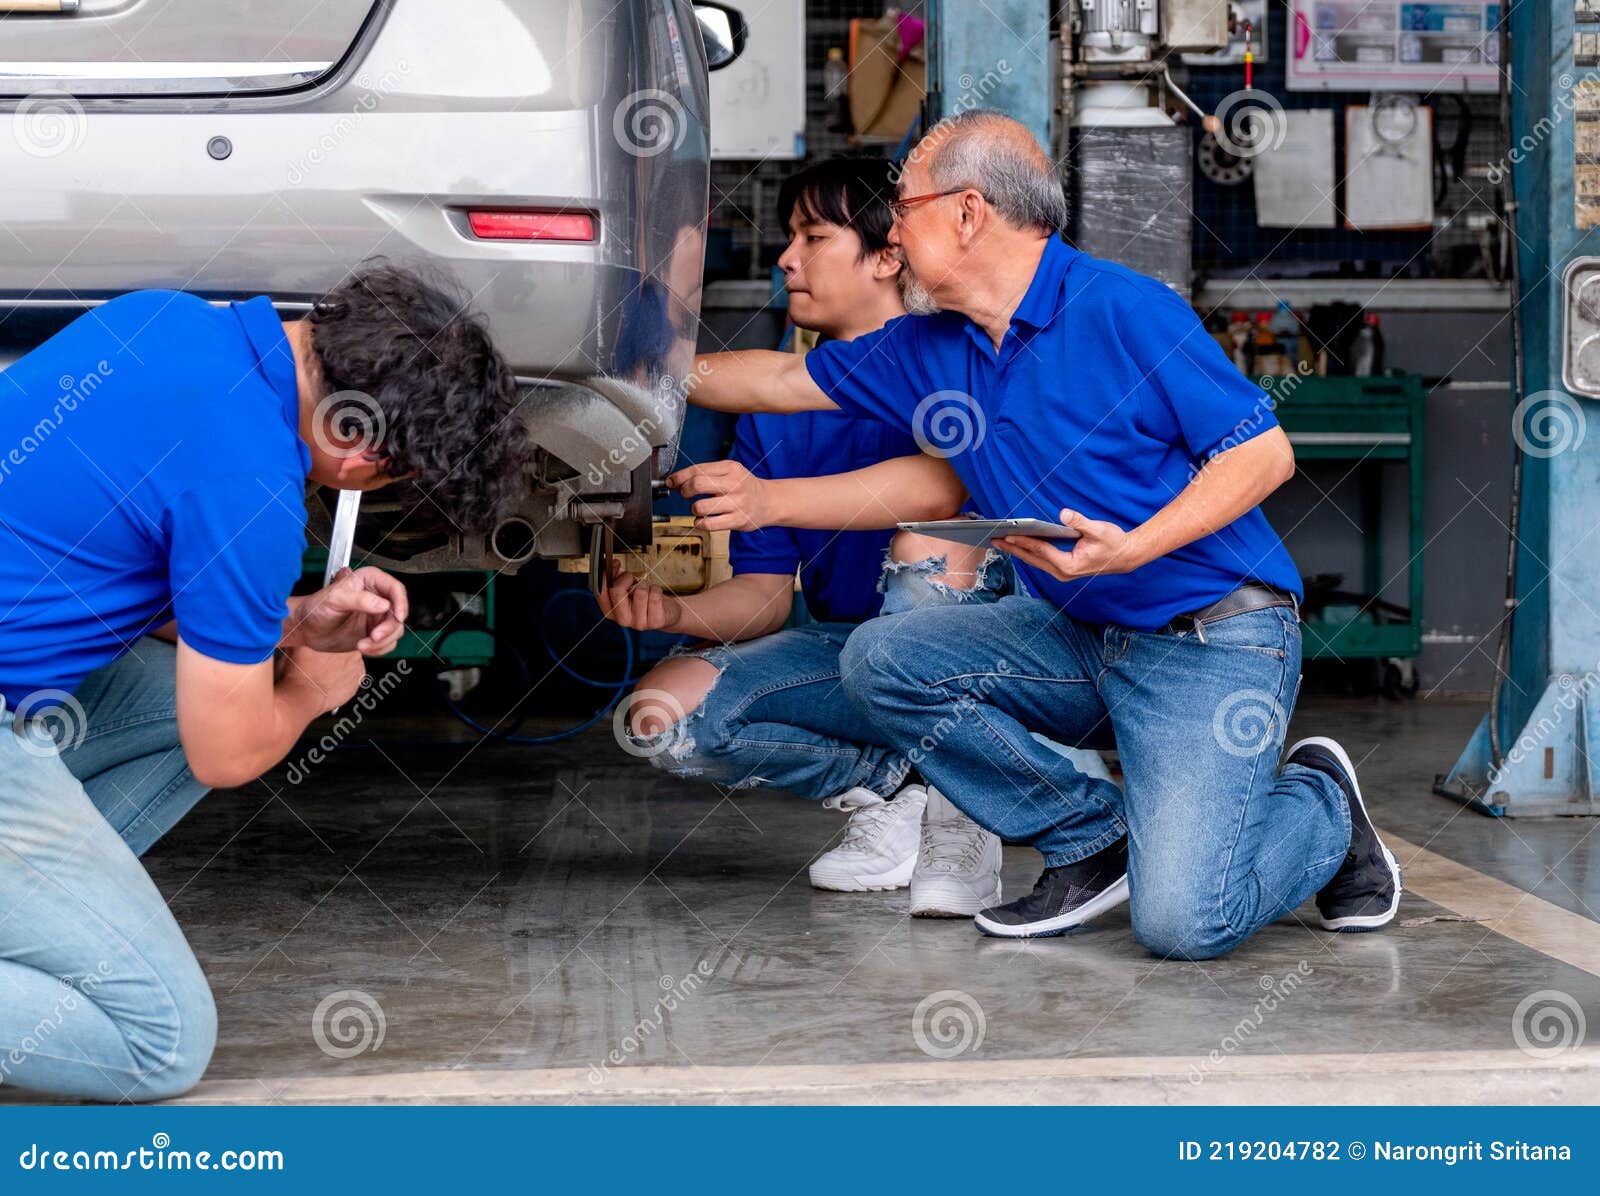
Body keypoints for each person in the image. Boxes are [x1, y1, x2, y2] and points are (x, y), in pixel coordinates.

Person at [676, 111, 1402, 959]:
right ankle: (1090, 839)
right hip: (1082, 636)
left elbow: (1262, 454)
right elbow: (778, 379)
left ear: (968, 212)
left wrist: (1135, 546)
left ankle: (1320, 801)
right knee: (882, 659)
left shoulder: (1122, 308)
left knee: (1183, 923)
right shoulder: (931, 346)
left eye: (902, 209)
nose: (893, 234)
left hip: (1209, 638)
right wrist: (636, 367)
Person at [0, 263, 528, 1101]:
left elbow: (132, 581)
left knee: (176, 696)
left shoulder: (161, 317)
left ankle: (38, 915)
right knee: (161, 1039)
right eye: (394, 481)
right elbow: (226, 751)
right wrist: (314, 687)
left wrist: (300, 622)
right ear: (363, 449)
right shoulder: (252, 487)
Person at [601, 157, 1109, 915]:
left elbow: (944, 492)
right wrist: (674, 614)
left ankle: (964, 811)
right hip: (850, 651)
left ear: (887, 255)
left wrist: (770, 499)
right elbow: (767, 595)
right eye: (789, 238)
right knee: (658, 718)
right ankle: (900, 789)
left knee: (930, 543)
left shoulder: (950, 360)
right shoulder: (774, 410)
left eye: (813, 237)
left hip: (989, 661)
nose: (786, 259)